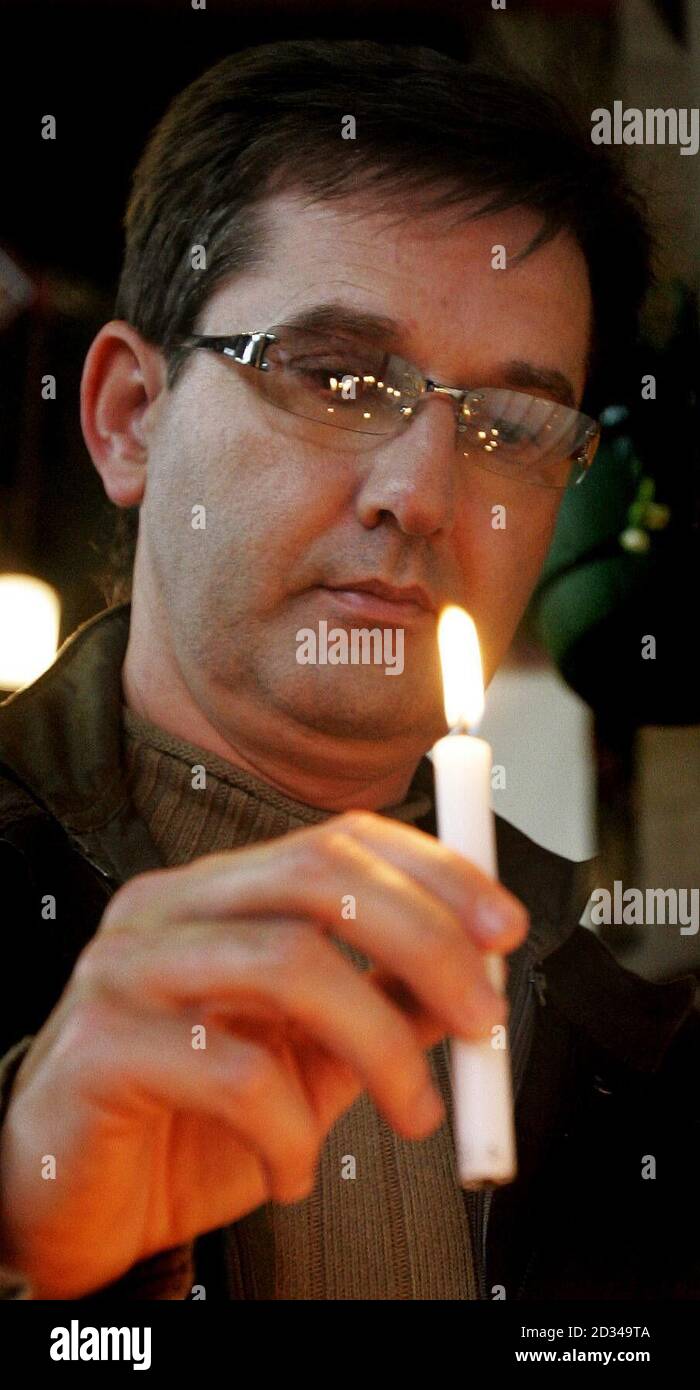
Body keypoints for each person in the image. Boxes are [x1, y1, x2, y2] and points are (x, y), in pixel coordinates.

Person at [0, 39, 697, 1301]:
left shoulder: (631, 1027)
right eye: (338, 376)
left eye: (512, 424)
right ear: (127, 417)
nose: (424, 494)